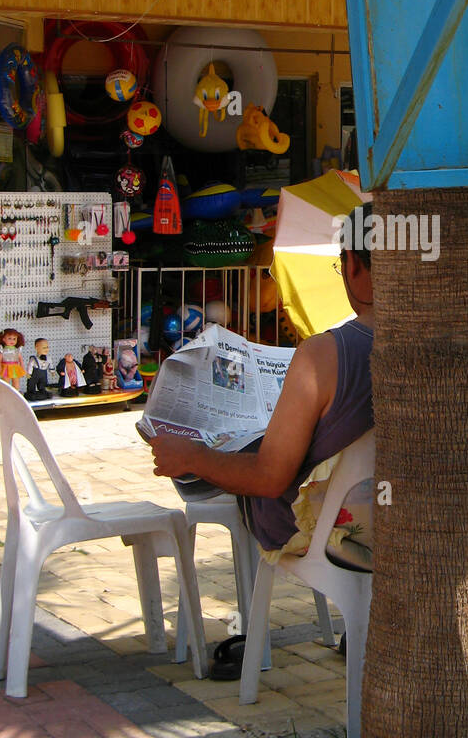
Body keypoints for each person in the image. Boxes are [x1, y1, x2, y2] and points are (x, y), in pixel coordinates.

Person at [149, 203, 374, 558]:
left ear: (353, 263)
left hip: (324, 529)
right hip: (395, 521)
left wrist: (192, 456)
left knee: (241, 468)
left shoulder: (324, 356)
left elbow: (269, 479)